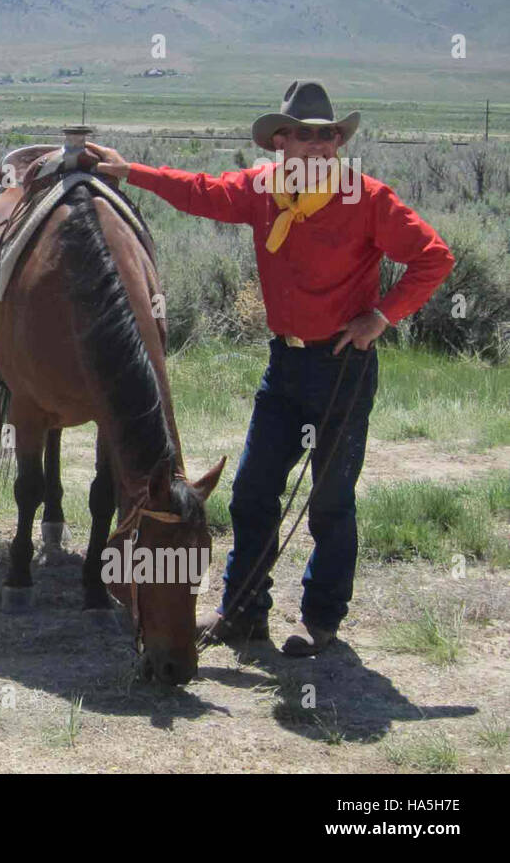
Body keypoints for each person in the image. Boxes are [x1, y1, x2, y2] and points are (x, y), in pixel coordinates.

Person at [88, 81, 454, 656]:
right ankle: (242, 614)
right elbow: (201, 192)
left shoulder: (367, 198)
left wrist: (381, 316)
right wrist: (129, 171)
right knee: (252, 492)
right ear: (280, 141)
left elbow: (433, 257)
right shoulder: (263, 191)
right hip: (285, 365)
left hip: (343, 366)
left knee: (330, 499)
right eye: (305, 135)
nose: (319, 146)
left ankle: (322, 622)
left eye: (328, 135)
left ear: (339, 141)